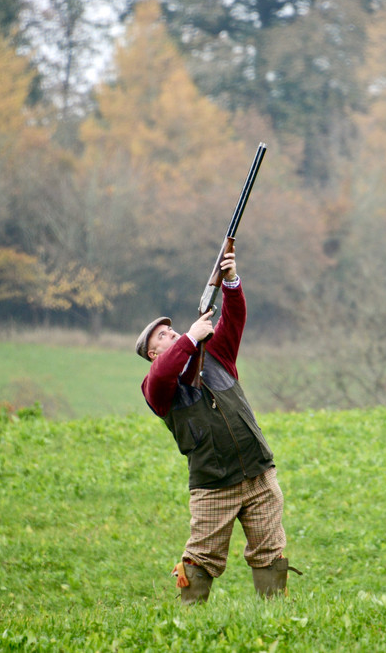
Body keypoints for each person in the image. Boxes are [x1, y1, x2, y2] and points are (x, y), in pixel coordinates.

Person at [137, 251, 297, 605]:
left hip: (258, 474)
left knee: (270, 550)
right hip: (213, 486)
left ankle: (277, 619)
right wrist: (190, 338)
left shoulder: (217, 354)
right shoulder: (157, 386)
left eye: (171, 329)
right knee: (201, 559)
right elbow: (164, 372)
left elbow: (235, 317)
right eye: (162, 336)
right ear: (152, 354)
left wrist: (231, 281)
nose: (171, 333)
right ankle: (189, 624)